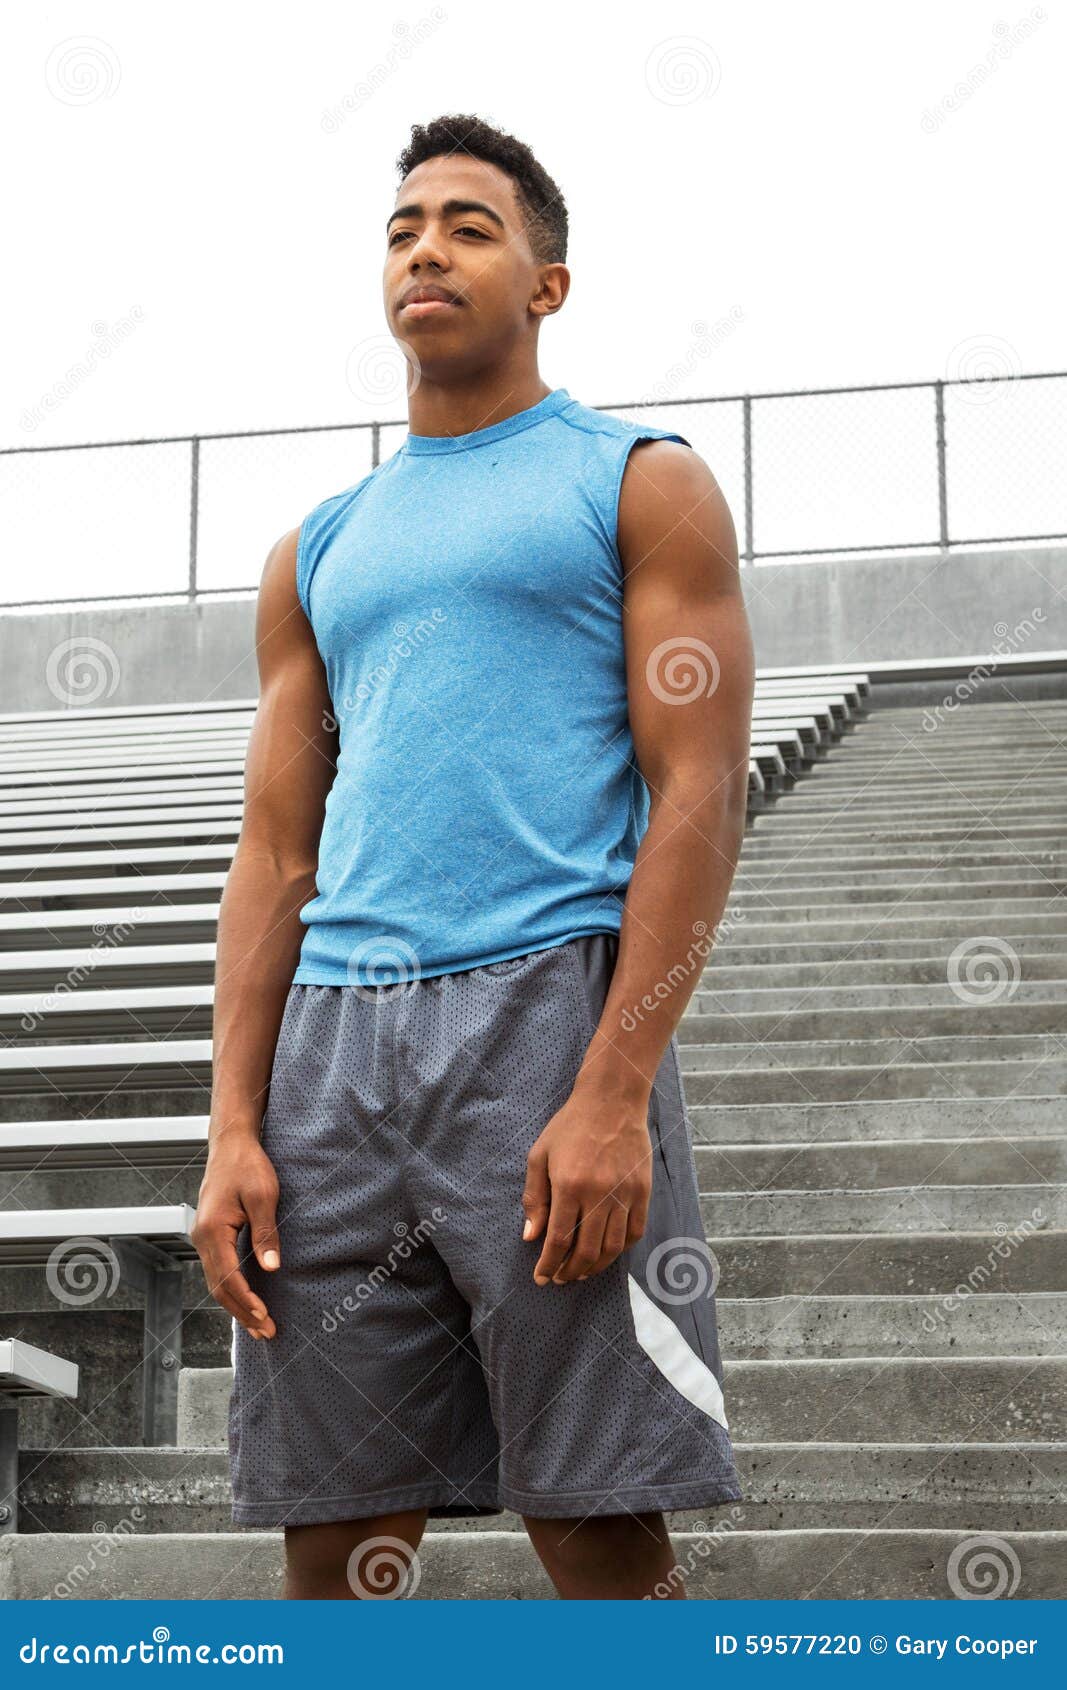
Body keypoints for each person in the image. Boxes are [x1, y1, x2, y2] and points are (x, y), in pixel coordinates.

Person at [192, 112, 753, 1601]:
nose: (425, 247)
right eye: (402, 227)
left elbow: (699, 794)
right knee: (338, 1532)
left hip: (541, 1022)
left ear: (547, 284)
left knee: (598, 1515)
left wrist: (616, 1088)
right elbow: (271, 849)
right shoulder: (317, 544)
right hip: (331, 1051)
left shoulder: (639, 480)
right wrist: (232, 1125)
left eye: (468, 224)